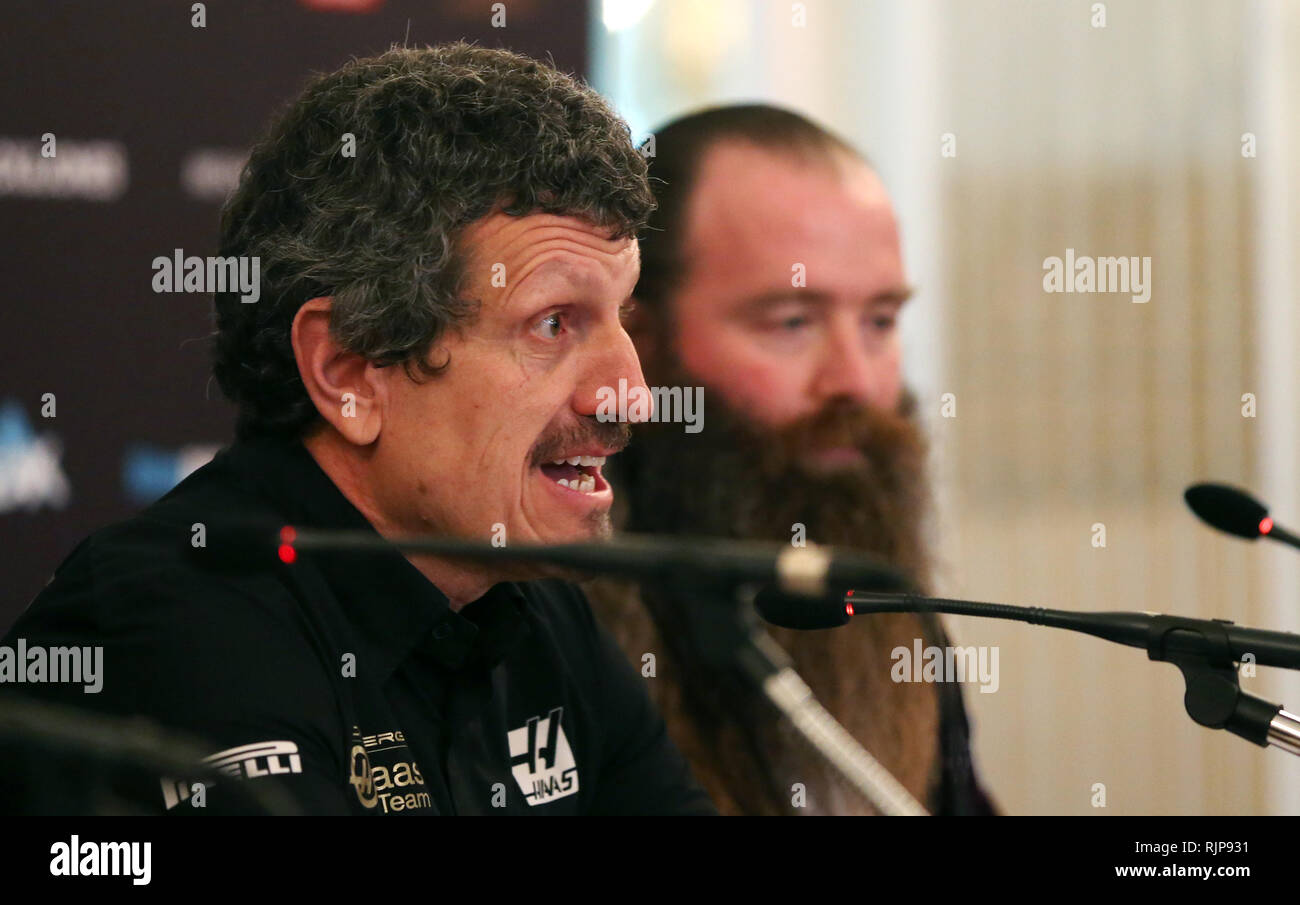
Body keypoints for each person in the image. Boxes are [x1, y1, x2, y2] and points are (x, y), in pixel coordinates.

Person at [0, 44, 715, 816]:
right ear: (347, 373)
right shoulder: (174, 628)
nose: (632, 398)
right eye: (552, 324)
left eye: (623, 319)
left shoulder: (534, 605)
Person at [588, 105, 997, 815]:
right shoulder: (559, 623)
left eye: (880, 321)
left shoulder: (887, 602)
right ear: (641, 340)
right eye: (793, 322)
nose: (857, 380)